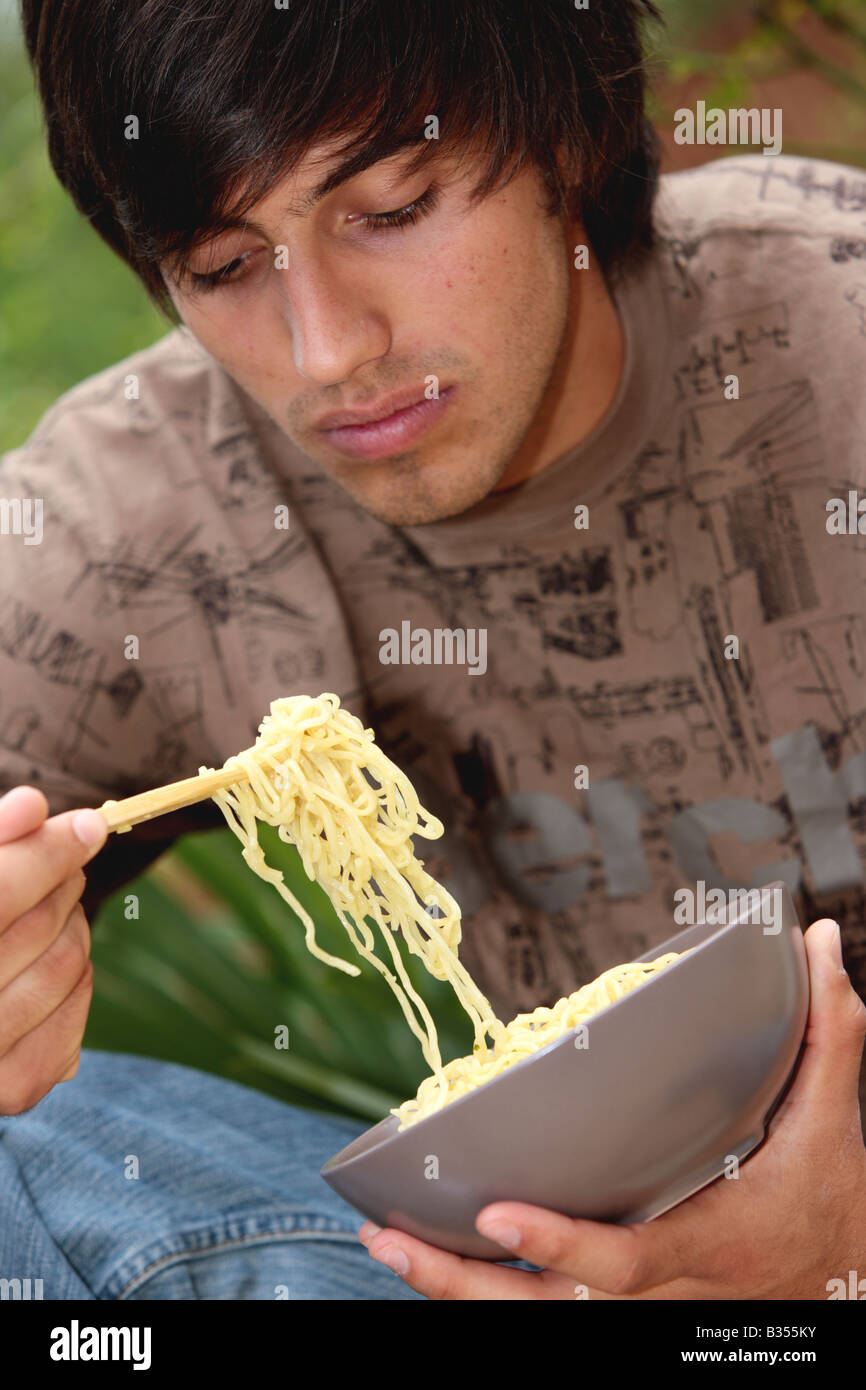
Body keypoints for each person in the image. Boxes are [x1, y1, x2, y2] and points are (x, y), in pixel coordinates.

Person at [0, 0, 864, 1300]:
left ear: (566, 128)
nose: (329, 351)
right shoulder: (139, 513)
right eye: (223, 265)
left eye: (393, 209)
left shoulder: (837, 332)